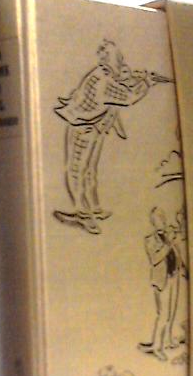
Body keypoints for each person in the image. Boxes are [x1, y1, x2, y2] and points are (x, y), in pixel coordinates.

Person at [54, 40, 173, 234]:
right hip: (81, 126)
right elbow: (127, 97)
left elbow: (121, 79)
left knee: (89, 169)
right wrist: (145, 83)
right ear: (112, 59)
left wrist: (135, 77)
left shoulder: (105, 72)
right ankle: (82, 213)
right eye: (119, 58)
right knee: (77, 170)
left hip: (92, 125)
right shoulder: (102, 81)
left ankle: (94, 208)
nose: (122, 61)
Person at [138, 208, 183, 361]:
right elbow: (155, 259)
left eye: (162, 218)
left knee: (172, 312)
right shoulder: (150, 240)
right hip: (161, 280)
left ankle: (167, 341)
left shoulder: (169, 235)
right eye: (158, 219)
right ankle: (157, 347)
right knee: (163, 315)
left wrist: (182, 268)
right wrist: (169, 243)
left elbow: (177, 254)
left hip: (173, 277)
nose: (161, 221)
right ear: (153, 222)